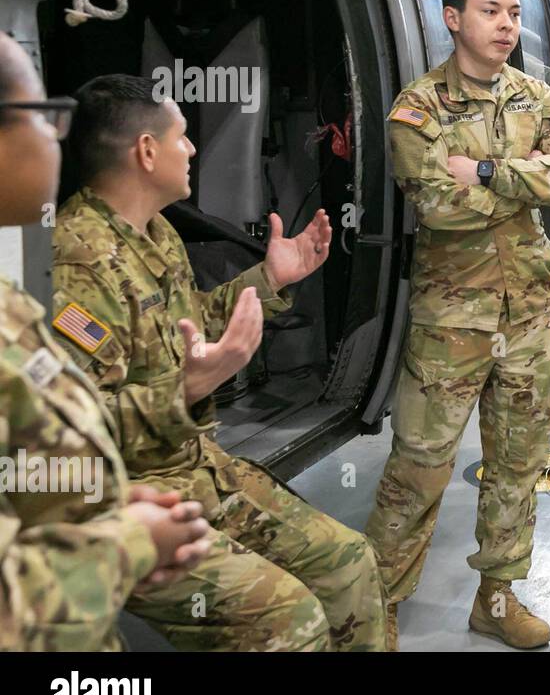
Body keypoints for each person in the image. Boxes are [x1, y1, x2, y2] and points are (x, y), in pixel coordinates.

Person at [52, 75, 386, 652]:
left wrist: (270, 278)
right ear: (146, 151)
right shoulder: (76, 263)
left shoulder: (155, 232)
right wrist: (182, 391)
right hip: (122, 498)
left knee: (349, 563)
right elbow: (69, 432)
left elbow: (188, 323)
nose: (193, 149)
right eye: (182, 137)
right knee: (291, 622)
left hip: (196, 467)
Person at [365, 0, 550, 650]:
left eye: (513, 13)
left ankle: (496, 598)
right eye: (491, 11)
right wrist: (530, 186)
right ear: (453, 18)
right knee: (419, 467)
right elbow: (436, 204)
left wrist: (492, 171)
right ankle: (377, 605)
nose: (506, 25)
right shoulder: (419, 107)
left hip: (526, 319)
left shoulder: (537, 98)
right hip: (451, 325)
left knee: (518, 467)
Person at [0, 36, 211, 651]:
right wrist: (132, 541)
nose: (55, 139)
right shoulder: (76, 257)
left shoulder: (11, 302)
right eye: (41, 116)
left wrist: (110, 502)